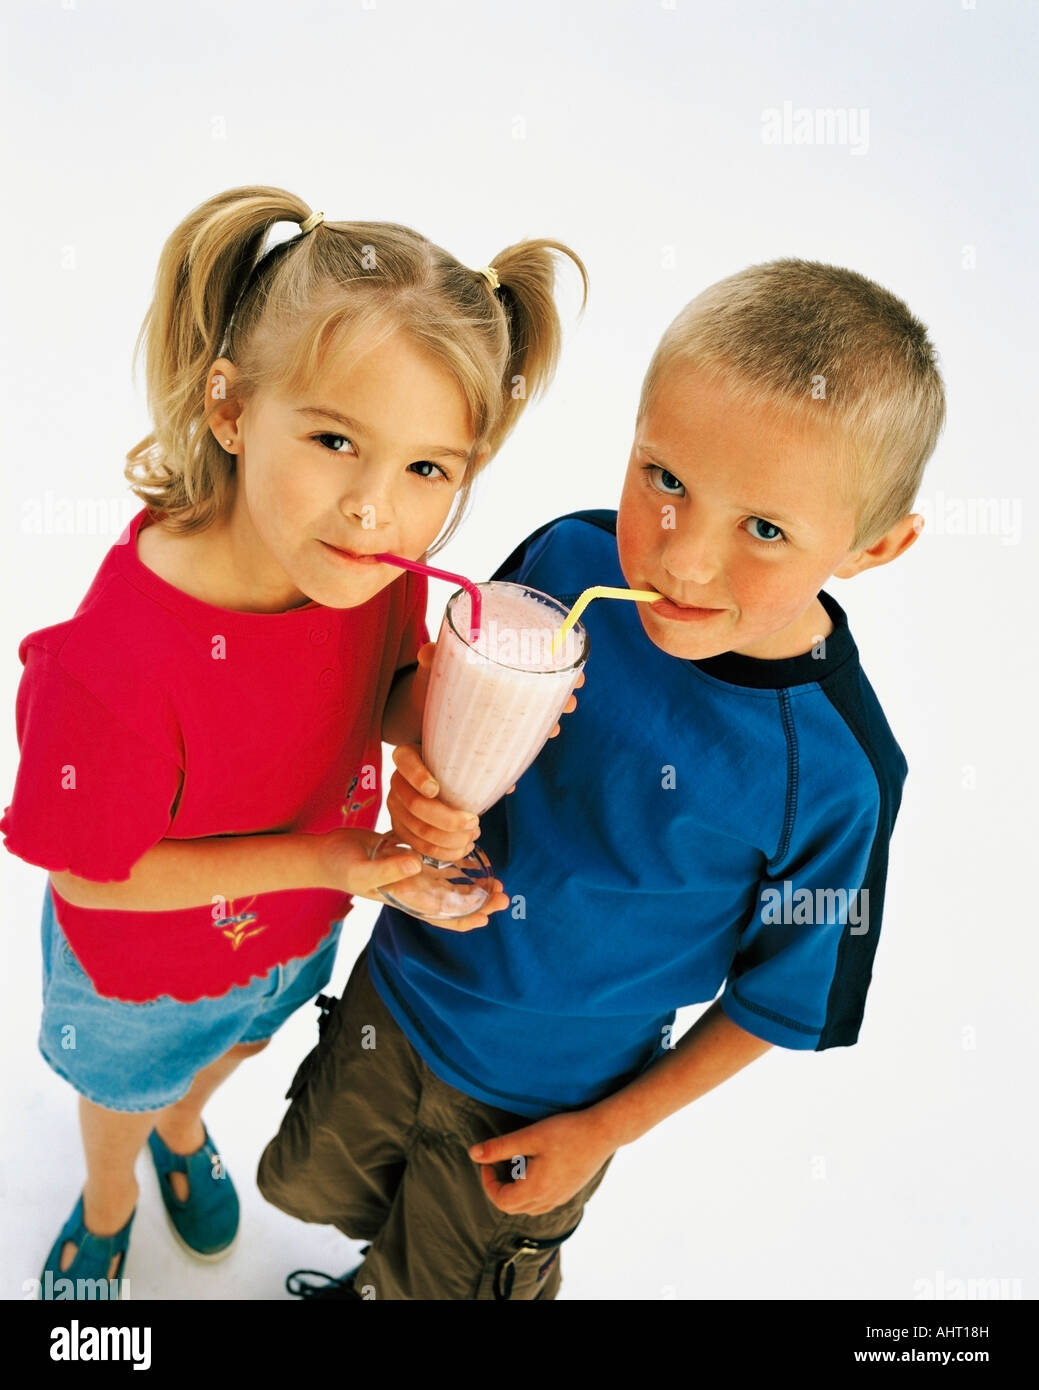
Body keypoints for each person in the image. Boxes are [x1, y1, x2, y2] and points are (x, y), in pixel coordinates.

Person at [257, 257, 947, 1301]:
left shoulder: (838, 773)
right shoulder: (569, 563)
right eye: (663, 478)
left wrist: (600, 1132)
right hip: (394, 995)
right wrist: (421, 784)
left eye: (764, 528)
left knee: (448, 1282)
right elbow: (442, 718)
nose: (682, 559)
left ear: (875, 546)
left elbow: (780, 1001)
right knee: (322, 1181)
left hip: (542, 1097)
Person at [0, 183, 586, 1297]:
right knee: (124, 1092)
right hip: (140, 967)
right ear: (228, 408)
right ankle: (111, 1193)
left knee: (236, 1049)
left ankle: (185, 1128)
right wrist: (333, 859)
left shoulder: (361, 578)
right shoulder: (112, 664)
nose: (376, 509)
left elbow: (377, 696)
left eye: (428, 469)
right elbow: (95, 879)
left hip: (287, 929)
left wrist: (459, 721)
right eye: (333, 439)